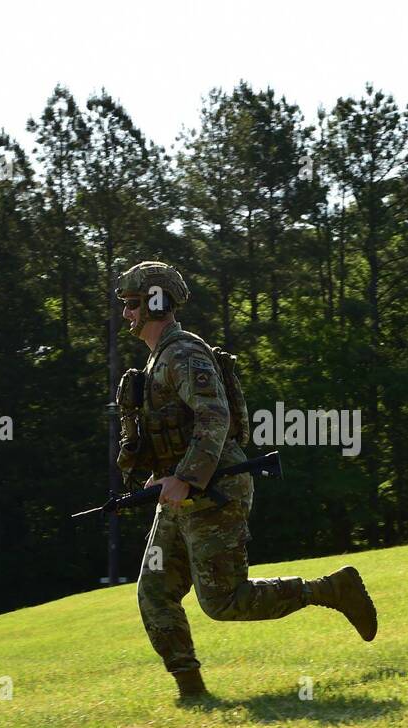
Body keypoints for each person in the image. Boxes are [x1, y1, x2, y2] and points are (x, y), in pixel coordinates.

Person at [114, 261, 378, 698]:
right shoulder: (158, 358)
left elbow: (213, 417)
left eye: (131, 304)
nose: (126, 314)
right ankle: (192, 692)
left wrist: (186, 478)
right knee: (155, 592)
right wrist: (164, 476)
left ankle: (332, 589)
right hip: (182, 494)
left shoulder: (183, 354)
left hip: (216, 489)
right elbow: (177, 429)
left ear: (156, 302)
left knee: (223, 601)